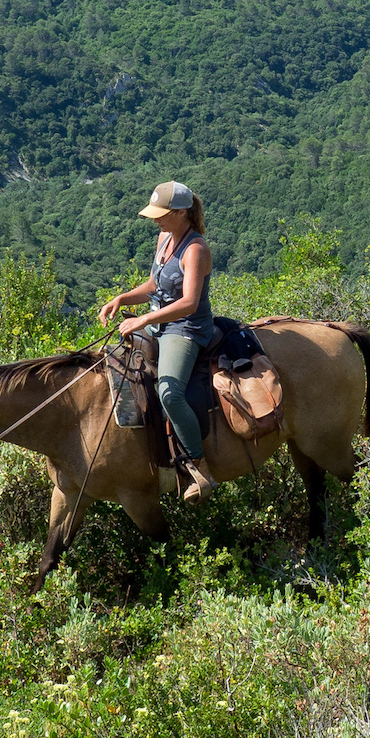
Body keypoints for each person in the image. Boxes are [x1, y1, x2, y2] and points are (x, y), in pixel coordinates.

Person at [97, 180, 219, 499]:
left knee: (169, 393)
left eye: (161, 214)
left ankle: (199, 466)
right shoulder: (165, 237)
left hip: (186, 329)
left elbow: (189, 302)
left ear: (181, 213)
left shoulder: (196, 249)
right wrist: (122, 299)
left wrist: (145, 319)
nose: (155, 219)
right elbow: (155, 283)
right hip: (159, 323)